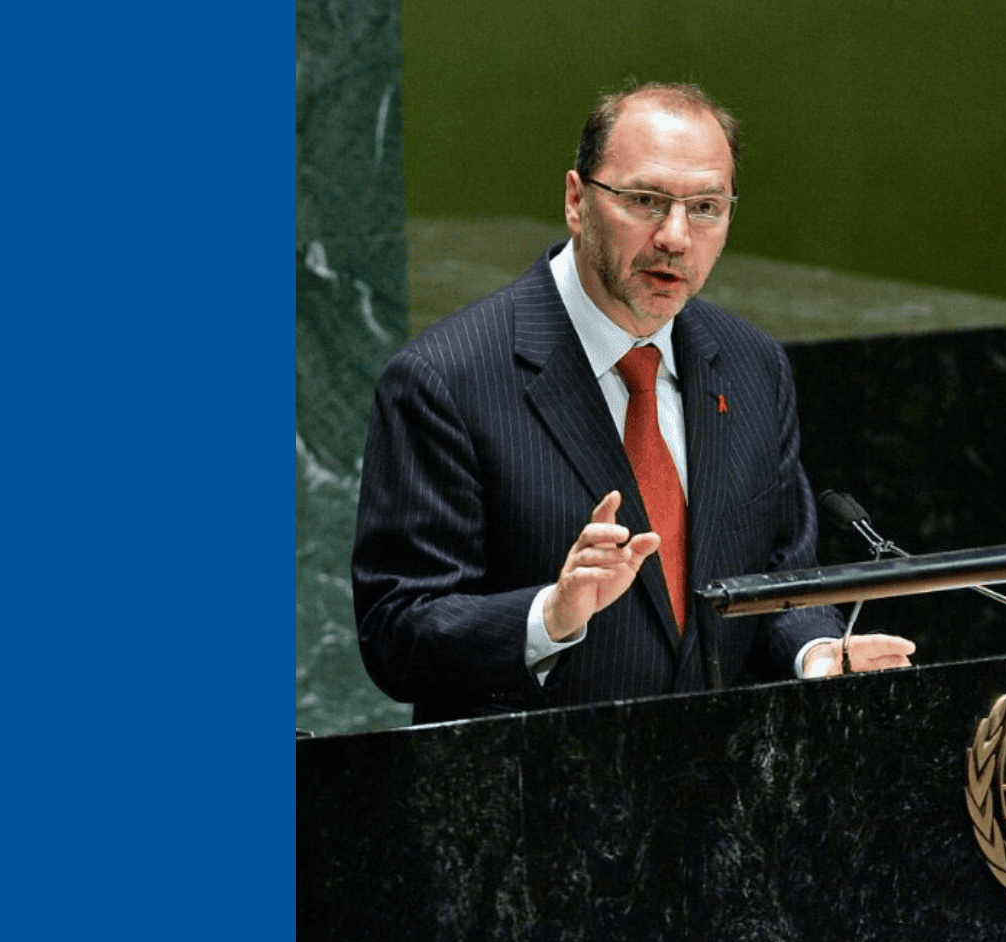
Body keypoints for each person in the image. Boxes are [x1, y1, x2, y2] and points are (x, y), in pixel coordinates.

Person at [352, 82, 914, 723]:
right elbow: (396, 632)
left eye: (705, 207)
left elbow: (783, 577)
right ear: (575, 200)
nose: (676, 236)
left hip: (713, 795)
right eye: (645, 200)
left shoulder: (754, 365)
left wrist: (814, 651)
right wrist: (551, 615)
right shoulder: (445, 379)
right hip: (530, 796)